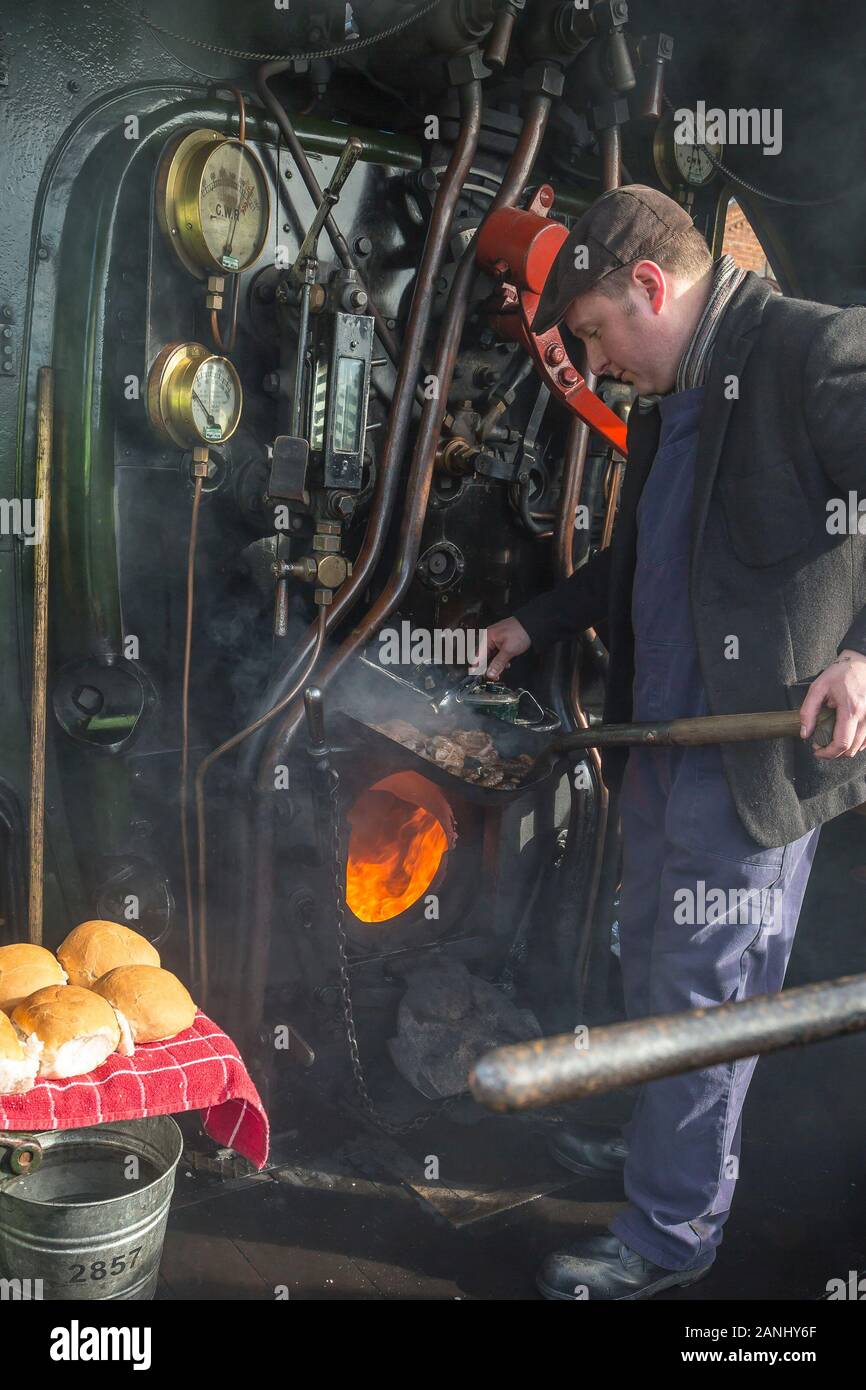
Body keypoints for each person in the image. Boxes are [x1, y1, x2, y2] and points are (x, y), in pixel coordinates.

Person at [483, 184, 866, 1301]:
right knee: (652, 961)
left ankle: (668, 1233)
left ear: (648, 287)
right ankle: (660, 1151)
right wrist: (534, 620)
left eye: (597, 332)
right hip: (661, 744)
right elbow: (640, 563)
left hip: (748, 762)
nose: (595, 364)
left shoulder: (809, 349)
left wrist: (861, 656)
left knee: (707, 995)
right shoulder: (673, 397)